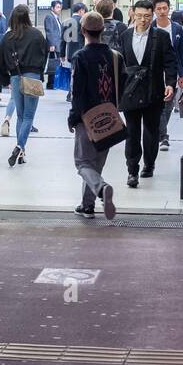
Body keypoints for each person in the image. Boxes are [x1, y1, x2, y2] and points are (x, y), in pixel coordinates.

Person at [117, 0, 179, 186]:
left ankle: (149, 164)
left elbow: (170, 62)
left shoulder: (160, 37)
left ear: (152, 16)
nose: (142, 20)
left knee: (151, 132)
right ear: (132, 14)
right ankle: (132, 170)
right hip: (131, 93)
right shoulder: (125, 36)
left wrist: (170, 83)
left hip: (154, 92)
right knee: (132, 132)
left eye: (146, 16)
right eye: (139, 16)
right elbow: (120, 64)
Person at [66, 11, 119, 221]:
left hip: (87, 118)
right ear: (103, 30)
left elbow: (76, 91)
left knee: (82, 163)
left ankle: (100, 187)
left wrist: (73, 117)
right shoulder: (114, 55)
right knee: (95, 164)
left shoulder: (80, 57)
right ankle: (87, 206)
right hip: (109, 115)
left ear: (82, 31)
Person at [0, 4, 49, 167]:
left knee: (20, 116)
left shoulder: (7, 37)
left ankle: (21, 152)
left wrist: (5, 80)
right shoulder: (36, 35)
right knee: (28, 116)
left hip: (15, 77)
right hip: (32, 77)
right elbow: (45, 54)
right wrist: (40, 74)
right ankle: (19, 147)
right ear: (27, 17)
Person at [151, 0, 183, 152]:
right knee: (157, 105)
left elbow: (180, 52)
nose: (162, 11)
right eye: (158, 9)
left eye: (164, 8)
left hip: (171, 72)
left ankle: (160, 133)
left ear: (169, 8)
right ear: (154, 11)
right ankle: (163, 136)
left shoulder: (177, 28)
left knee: (168, 104)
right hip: (153, 72)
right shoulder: (150, 27)